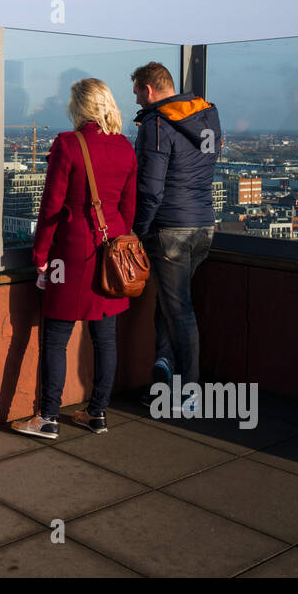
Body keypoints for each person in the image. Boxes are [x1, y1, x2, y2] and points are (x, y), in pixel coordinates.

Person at [12, 78, 138, 439]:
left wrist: (40, 257)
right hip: (111, 252)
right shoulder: (125, 148)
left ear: (79, 108)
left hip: (71, 254)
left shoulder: (68, 144)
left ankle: (48, 417)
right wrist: (114, 242)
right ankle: (97, 413)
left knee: (55, 337)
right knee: (105, 339)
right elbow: (128, 209)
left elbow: (51, 207)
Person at [129, 62, 221, 417]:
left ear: (149, 90)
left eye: (137, 91)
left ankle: (190, 393)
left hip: (170, 229)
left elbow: (150, 189)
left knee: (179, 310)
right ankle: (164, 375)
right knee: (171, 303)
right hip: (202, 226)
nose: (136, 99)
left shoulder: (156, 125)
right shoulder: (207, 116)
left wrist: (137, 231)